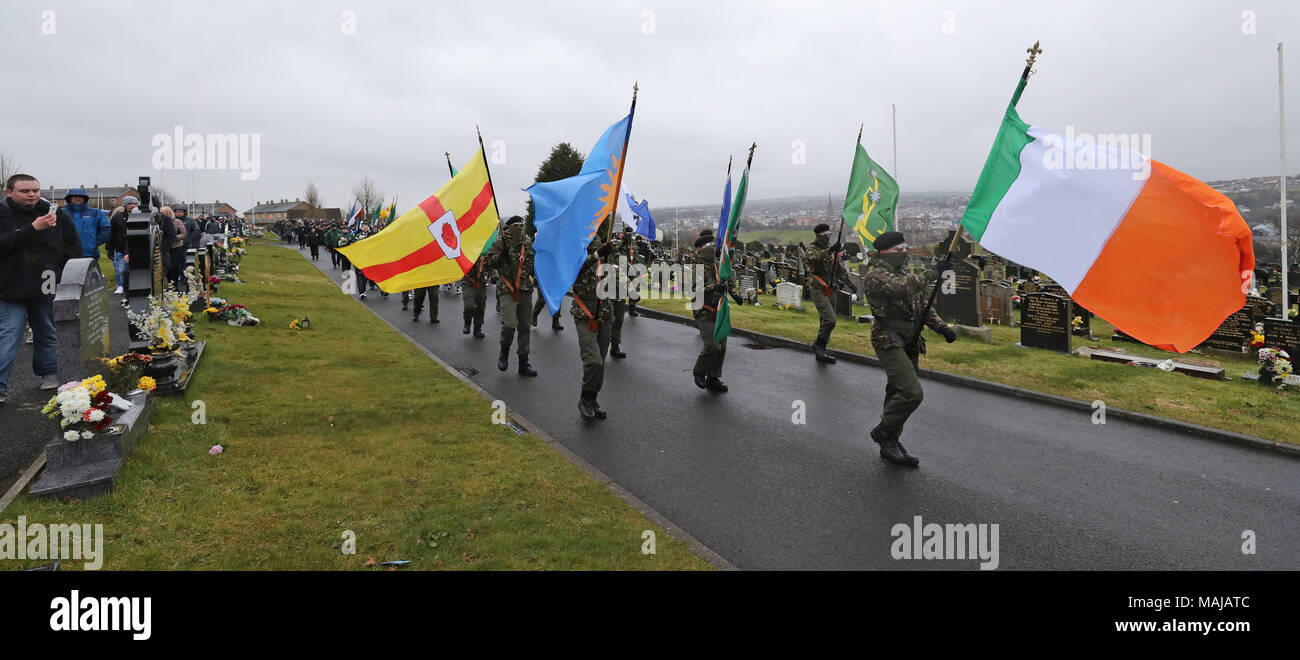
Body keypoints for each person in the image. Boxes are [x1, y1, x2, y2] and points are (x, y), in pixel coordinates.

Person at [862, 231, 958, 467]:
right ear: (884, 252)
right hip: (888, 339)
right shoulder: (876, 275)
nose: (905, 251)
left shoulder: (903, 270)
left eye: (905, 247)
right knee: (911, 392)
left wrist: (940, 327)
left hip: (911, 338)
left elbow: (920, 302)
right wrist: (935, 270)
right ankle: (884, 431)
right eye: (899, 249)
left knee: (896, 391)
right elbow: (901, 289)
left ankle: (891, 441)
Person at [0, 174, 81, 402]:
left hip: (46, 281)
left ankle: (50, 373)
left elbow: (71, 245)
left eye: (35, 190)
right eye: (25, 191)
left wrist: (70, 274)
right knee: (8, 335)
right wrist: (32, 229)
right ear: (10, 192)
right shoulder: (2, 213)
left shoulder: (54, 212)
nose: (32, 195)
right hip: (10, 285)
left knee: (47, 331)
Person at [484, 216, 537, 376]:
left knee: (525, 327)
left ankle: (523, 362)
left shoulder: (528, 242)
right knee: (509, 325)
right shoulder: (501, 242)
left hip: (525, 289)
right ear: (509, 227)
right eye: (516, 225)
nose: (520, 228)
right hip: (507, 289)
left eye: (522, 225)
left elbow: (534, 264)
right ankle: (504, 352)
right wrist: (501, 256)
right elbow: (490, 262)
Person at [691, 233, 740, 392]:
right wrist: (713, 288)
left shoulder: (718, 264)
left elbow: (726, 281)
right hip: (704, 310)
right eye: (708, 246)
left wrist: (735, 294)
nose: (712, 249)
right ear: (700, 249)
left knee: (722, 346)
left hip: (720, 310)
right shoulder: (696, 266)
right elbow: (695, 290)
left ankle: (713, 377)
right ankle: (699, 372)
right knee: (712, 345)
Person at [571, 238, 615, 419]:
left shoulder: (601, 247)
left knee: (601, 362)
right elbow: (573, 270)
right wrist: (597, 255)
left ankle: (592, 398)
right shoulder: (575, 246)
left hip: (604, 312)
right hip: (584, 313)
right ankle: (584, 398)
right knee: (593, 361)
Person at [805, 223, 852, 364]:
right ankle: (818, 345)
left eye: (829, 235)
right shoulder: (811, 248)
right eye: (825, 235)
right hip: (817, 287)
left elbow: (839, 268)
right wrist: (830, 249)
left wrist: (851, 285)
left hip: (830, 288)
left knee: (825, 320)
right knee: (830, 319)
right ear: (818, 236)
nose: (827, 237)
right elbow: (815, 258)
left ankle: (822, 349)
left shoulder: (831, 251)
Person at [108, 196, 139, 294]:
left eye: (135, 204)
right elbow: (111, 234)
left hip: (136, 249)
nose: (133, 206)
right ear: (125, 205)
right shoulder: (117, 217)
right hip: (120, 248)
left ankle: (134, 287)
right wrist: (109, 249)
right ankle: (122, 287)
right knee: (122, 271)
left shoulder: (141, 217)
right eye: (130, 204)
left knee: (136, 271)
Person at [461, 255, 489, 337]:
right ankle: (467, 323)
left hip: (481, 284)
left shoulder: (486, 251)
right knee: (469, 305)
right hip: (468, 282)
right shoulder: (468, 249)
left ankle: (477, 329)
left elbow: (491, 264)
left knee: (480, 307)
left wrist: (494, 275)